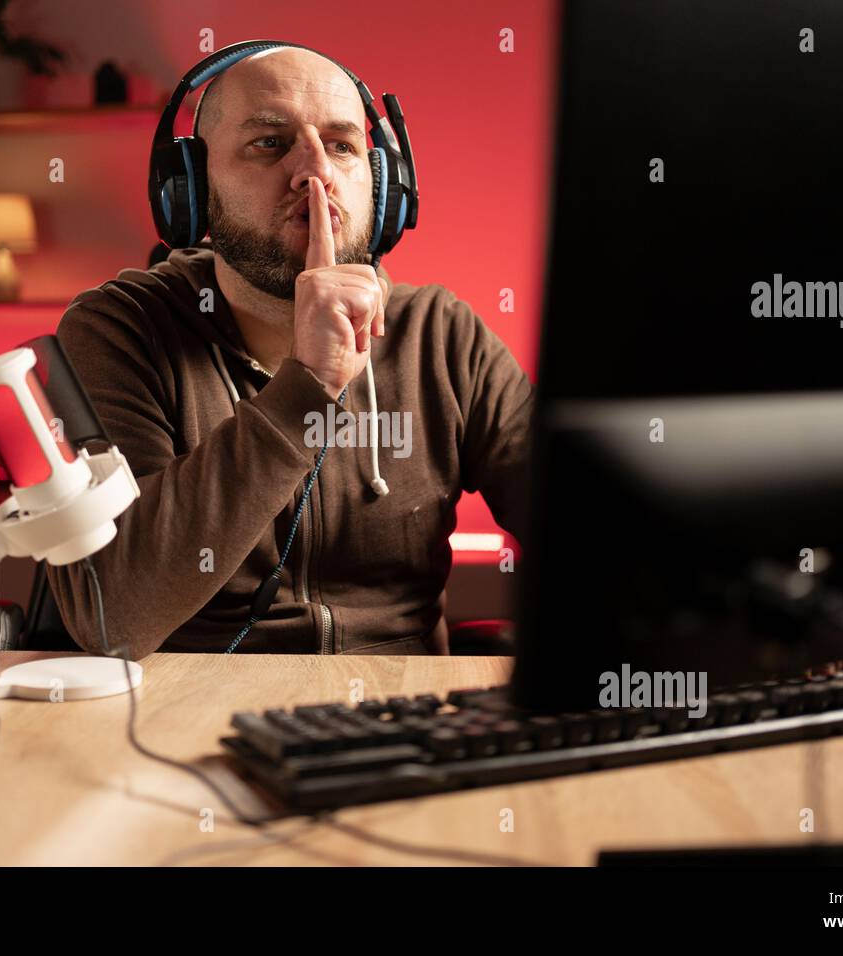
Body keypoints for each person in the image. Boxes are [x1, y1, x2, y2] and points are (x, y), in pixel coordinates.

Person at [46, 45, 533, 656]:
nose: (314, 173)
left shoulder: (441, 336)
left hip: (397, 722)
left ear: (385, 189)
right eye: (270, 144)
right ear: (193, 190)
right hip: (185, 718)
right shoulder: (118, 331)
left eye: (342, 145)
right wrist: (308, 385)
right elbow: (111, 614)